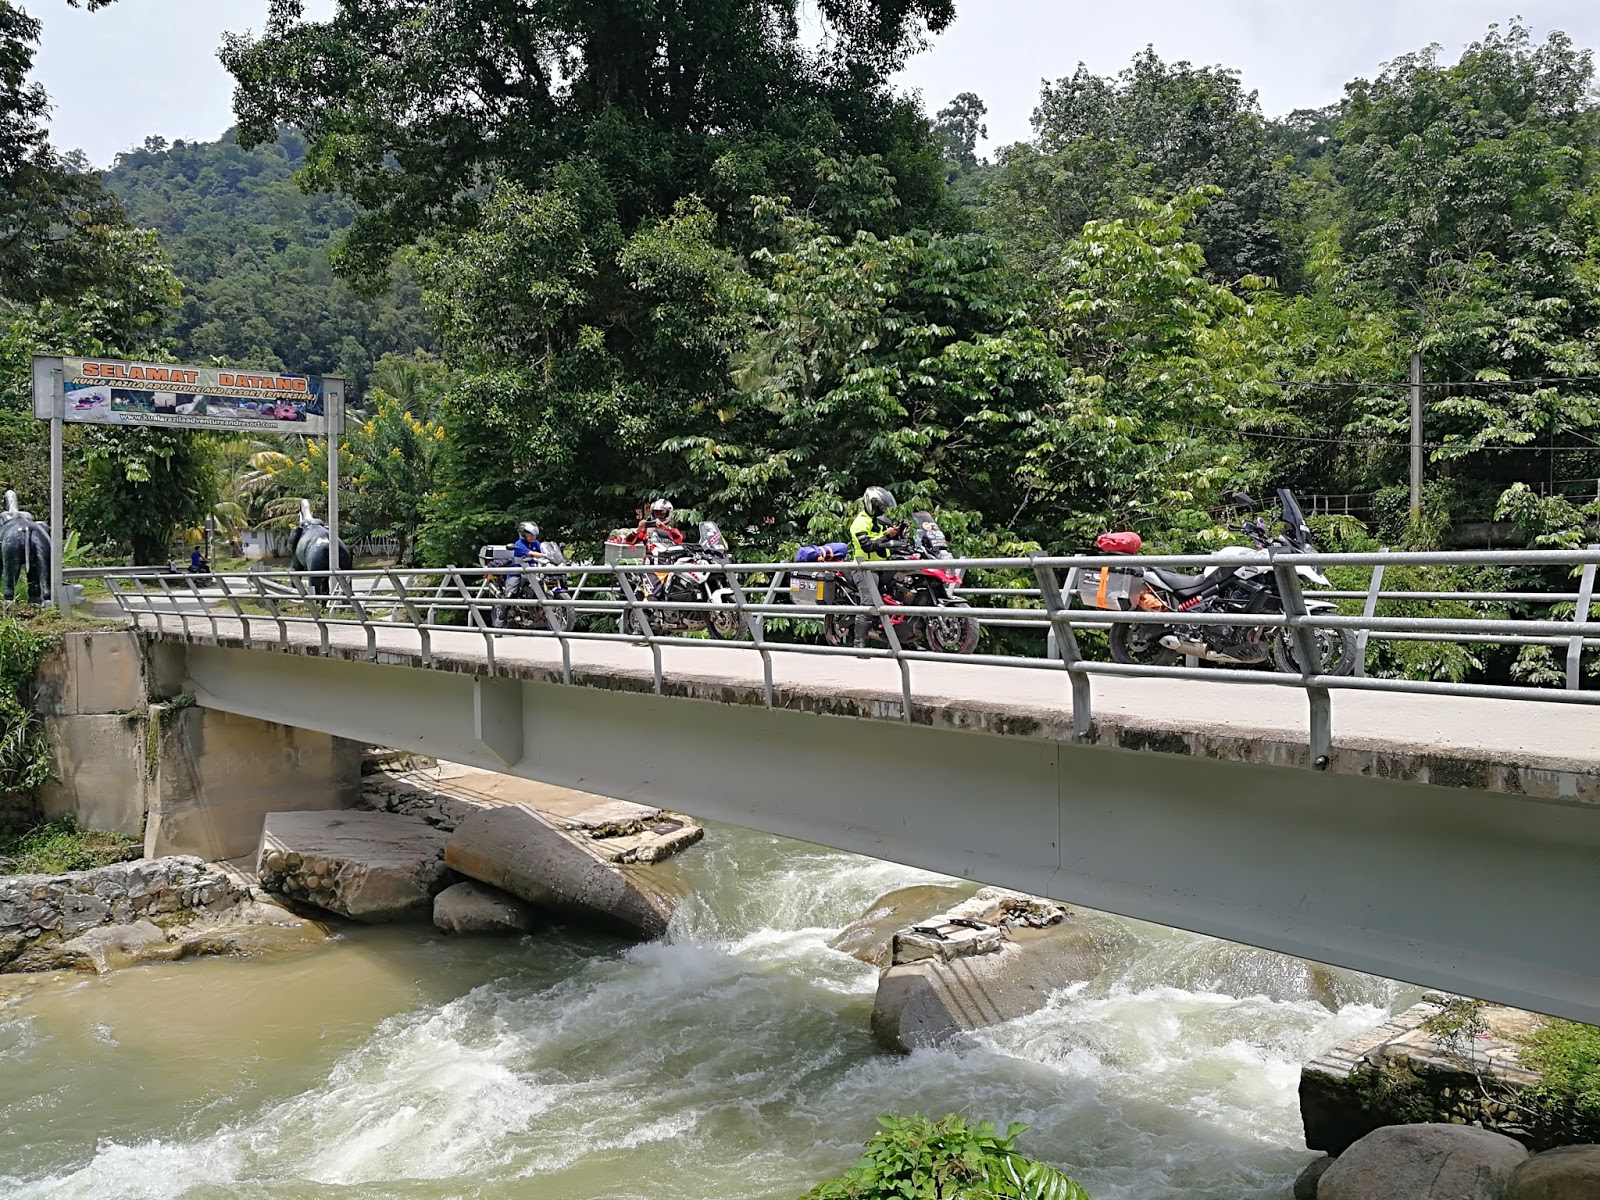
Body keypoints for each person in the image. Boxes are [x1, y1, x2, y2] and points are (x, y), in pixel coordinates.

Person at [848, 486, 904, 560]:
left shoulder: (876, 521)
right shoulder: (861, 522)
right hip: (864, 567)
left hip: (880, 566)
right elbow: (867, 547)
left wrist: (896, 533)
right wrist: (887, 535)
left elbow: (883, 542)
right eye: (880, 507)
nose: (882, 510)